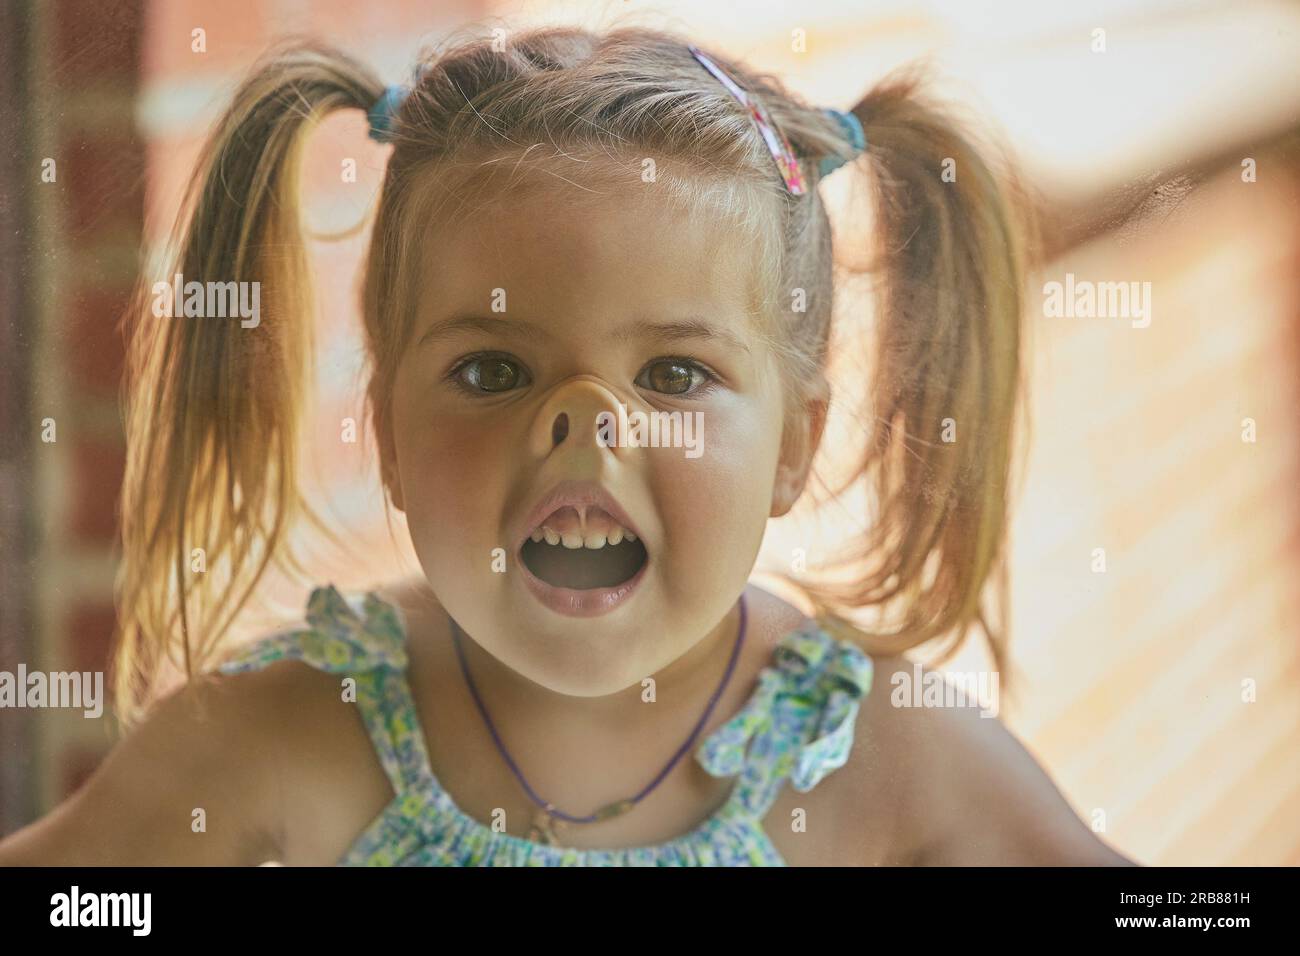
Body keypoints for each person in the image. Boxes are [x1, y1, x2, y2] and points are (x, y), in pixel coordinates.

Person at [0, 24, 1134, 866]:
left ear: (794, 443)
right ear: (386, 428)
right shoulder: (288, 736)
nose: (586, 425)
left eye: (674, 374)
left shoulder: (874, 755)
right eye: (493, 370)